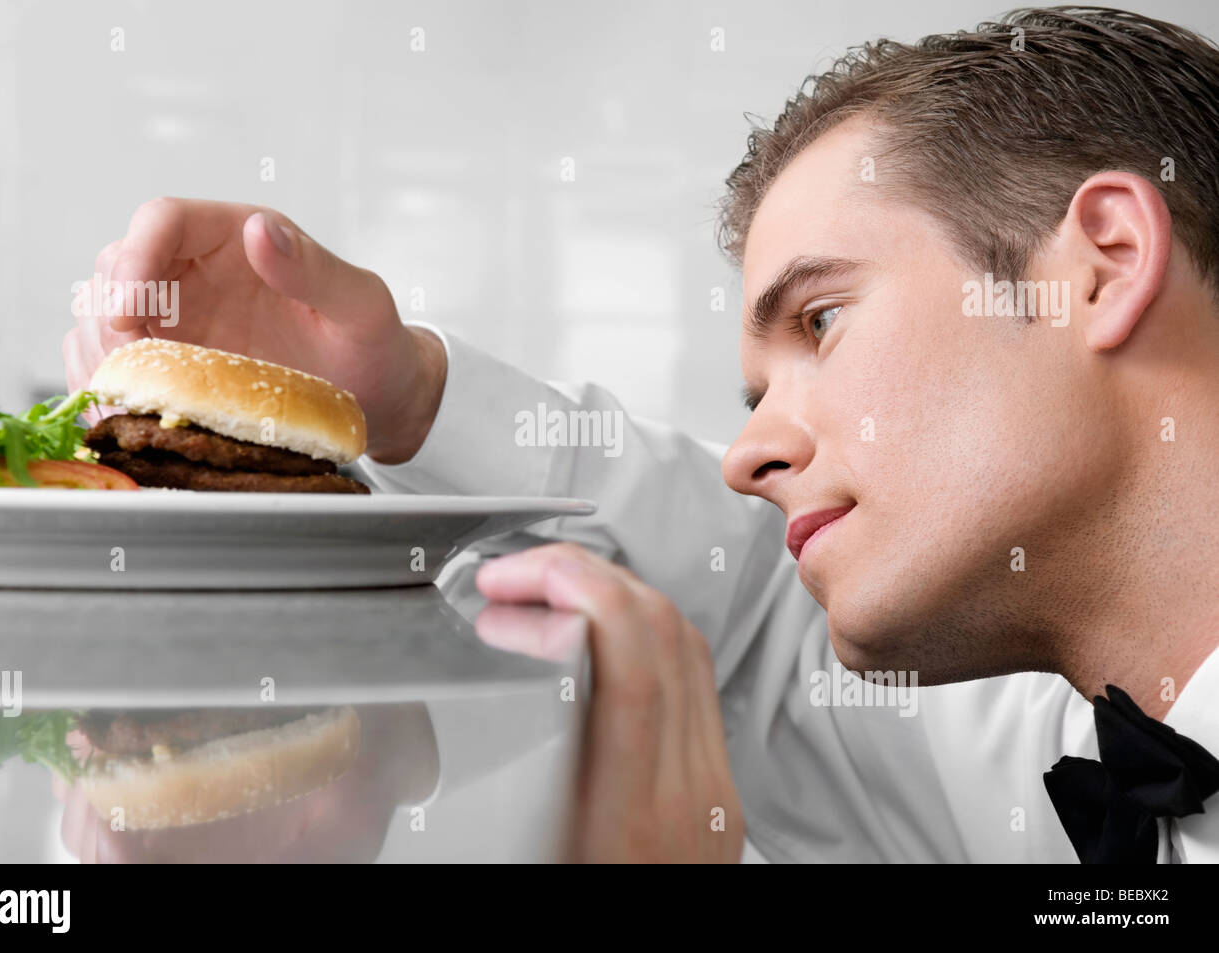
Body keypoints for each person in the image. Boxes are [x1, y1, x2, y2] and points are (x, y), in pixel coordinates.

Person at [64, 7, 1219, 863]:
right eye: (753, 391)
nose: (746, 456)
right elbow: (748, 633)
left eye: (823, 319)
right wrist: (405, 391)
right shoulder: (1039, 747)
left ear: (1102, 264)